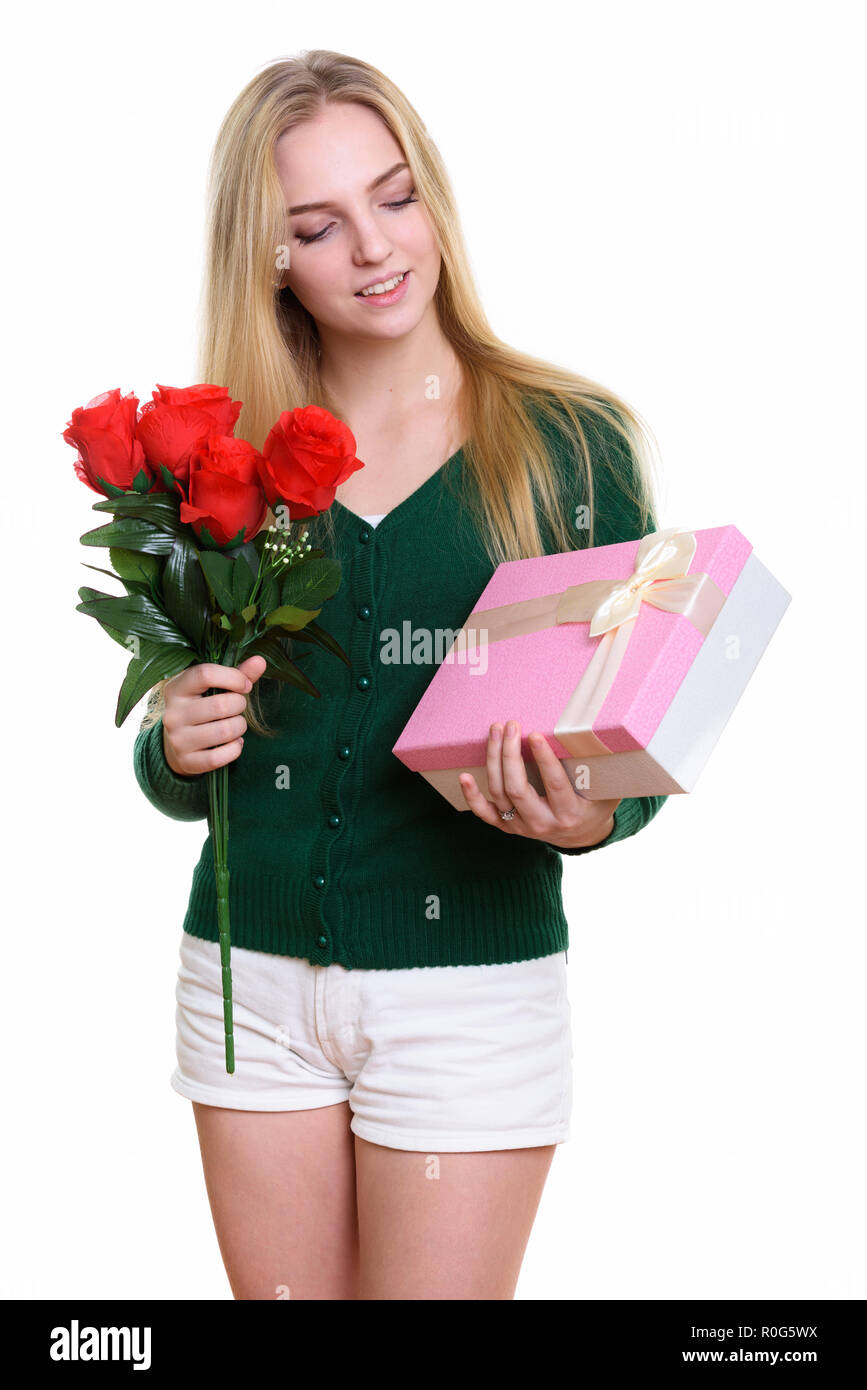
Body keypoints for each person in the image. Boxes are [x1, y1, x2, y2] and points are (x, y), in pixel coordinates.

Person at [133, 49, 668, 1300]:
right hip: (245, 983)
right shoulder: (223, 461)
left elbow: (632, 748)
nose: (374, 249)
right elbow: (183, 752)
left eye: (395, 196)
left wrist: (589, 813)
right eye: (317, 226)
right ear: (268, 255)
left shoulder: (566, 444)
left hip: (468, 995)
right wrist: (171, 741)